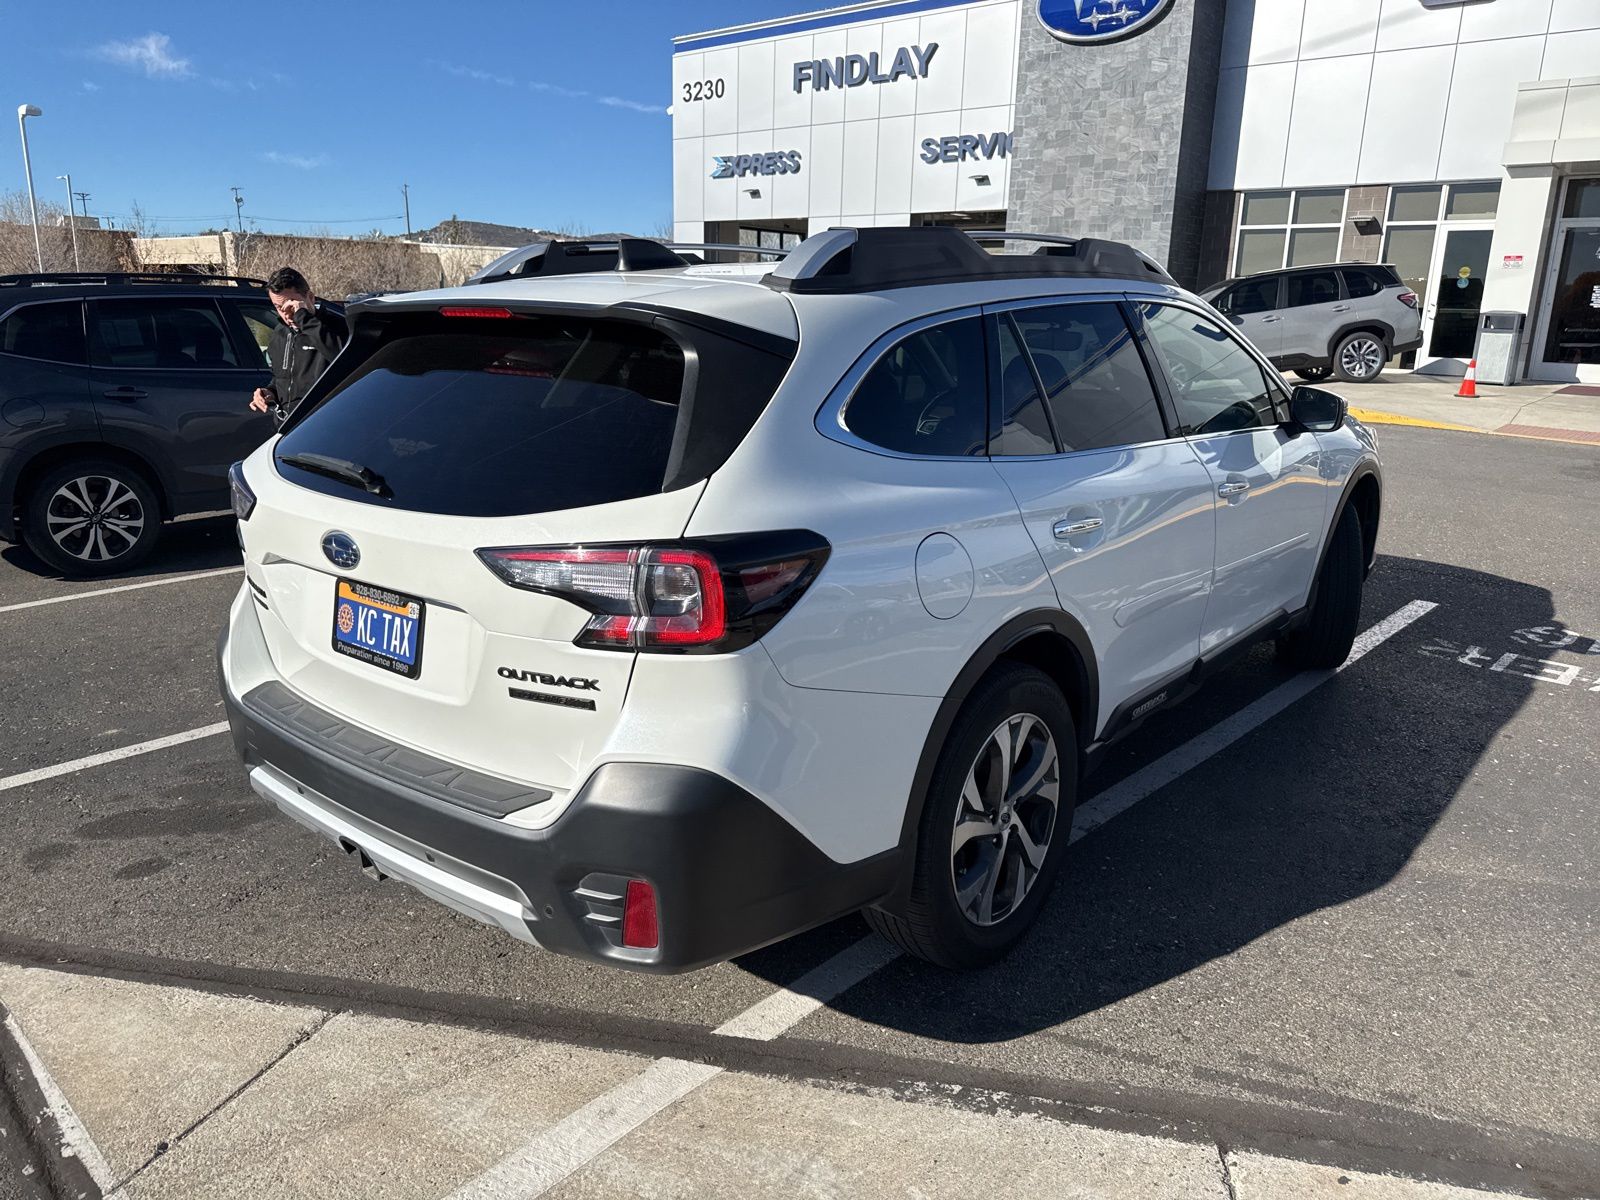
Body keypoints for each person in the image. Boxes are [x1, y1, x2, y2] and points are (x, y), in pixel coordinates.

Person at [248, 266, 349, 425]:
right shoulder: (280, 333)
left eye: (291, 304)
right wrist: (270, 392)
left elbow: (343, 359)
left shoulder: (336, 327)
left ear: (310, 297)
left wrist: (304, 317)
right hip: (289, 428)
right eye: (278, 307)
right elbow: (280, 378)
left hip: (326, 424)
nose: (286, 313)